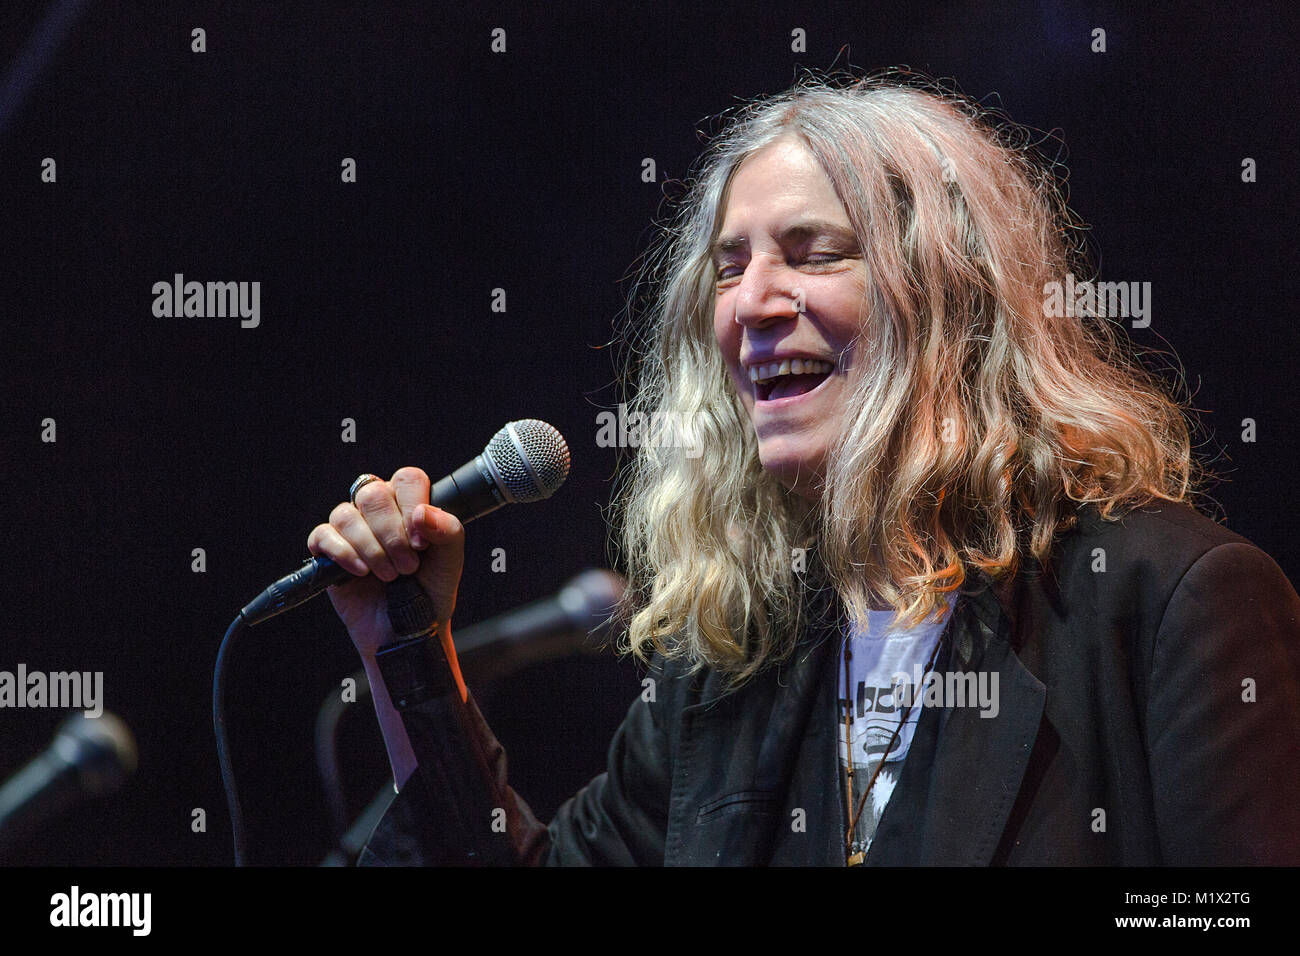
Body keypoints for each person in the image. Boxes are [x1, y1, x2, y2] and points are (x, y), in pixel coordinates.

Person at [307, 74, 1300, 865]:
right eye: (729, 267)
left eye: (812, 252)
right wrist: (409, 644)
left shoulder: (1165, 602)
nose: (751, 301)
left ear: (949, 299)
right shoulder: (740, 662)